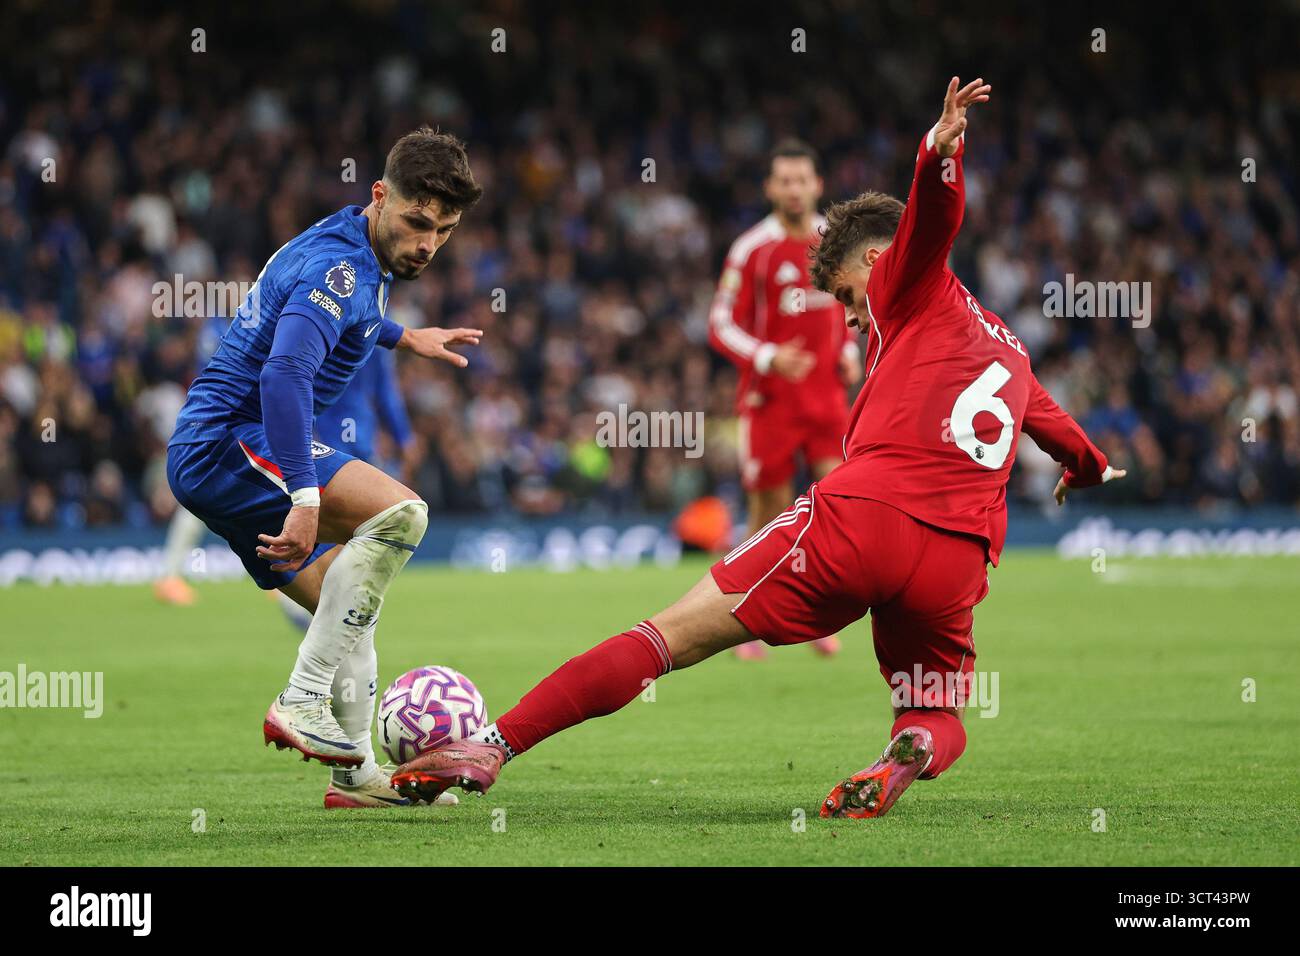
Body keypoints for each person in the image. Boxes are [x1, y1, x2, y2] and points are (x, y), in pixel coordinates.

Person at [391, 78, 1126, 819]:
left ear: (879, 262)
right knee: (934, 709)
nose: (848, 319)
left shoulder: (907, 280)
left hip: (864, 517)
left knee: (667, 636)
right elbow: (1064, 434)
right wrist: (1089, 469)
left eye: (845, 297)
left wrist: (938, 154)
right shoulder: (1011, 348)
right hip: (957, 560)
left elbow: (934, 220)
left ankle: (492, 744)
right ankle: (911, 752)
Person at [166, 127, 484, 809]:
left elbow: (349, 317)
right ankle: (302, 699)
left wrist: (406, 337)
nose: (427, 243)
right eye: (417, 222)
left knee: (350, 608)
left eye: (444, 230)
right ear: (379, 196)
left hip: (221, 445)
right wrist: (305, 499)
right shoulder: (339, 268)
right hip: (228, 438)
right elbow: (284, 377)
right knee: (403, 514)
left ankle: (356, 775)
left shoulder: (357, 245)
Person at [708, 139, 861, 658]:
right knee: (769, 511)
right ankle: (741, 619)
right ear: (770, 188)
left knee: (834, 508)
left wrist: (849, 348)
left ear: (817, 185)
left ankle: (815, 618)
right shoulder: (752, 248)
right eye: (784, 181)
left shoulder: (836, 241)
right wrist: (769, 357)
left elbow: (851, 305)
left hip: (826, 399)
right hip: (769, 401)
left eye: (802, 180)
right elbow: (720, 323)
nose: (794, 189)